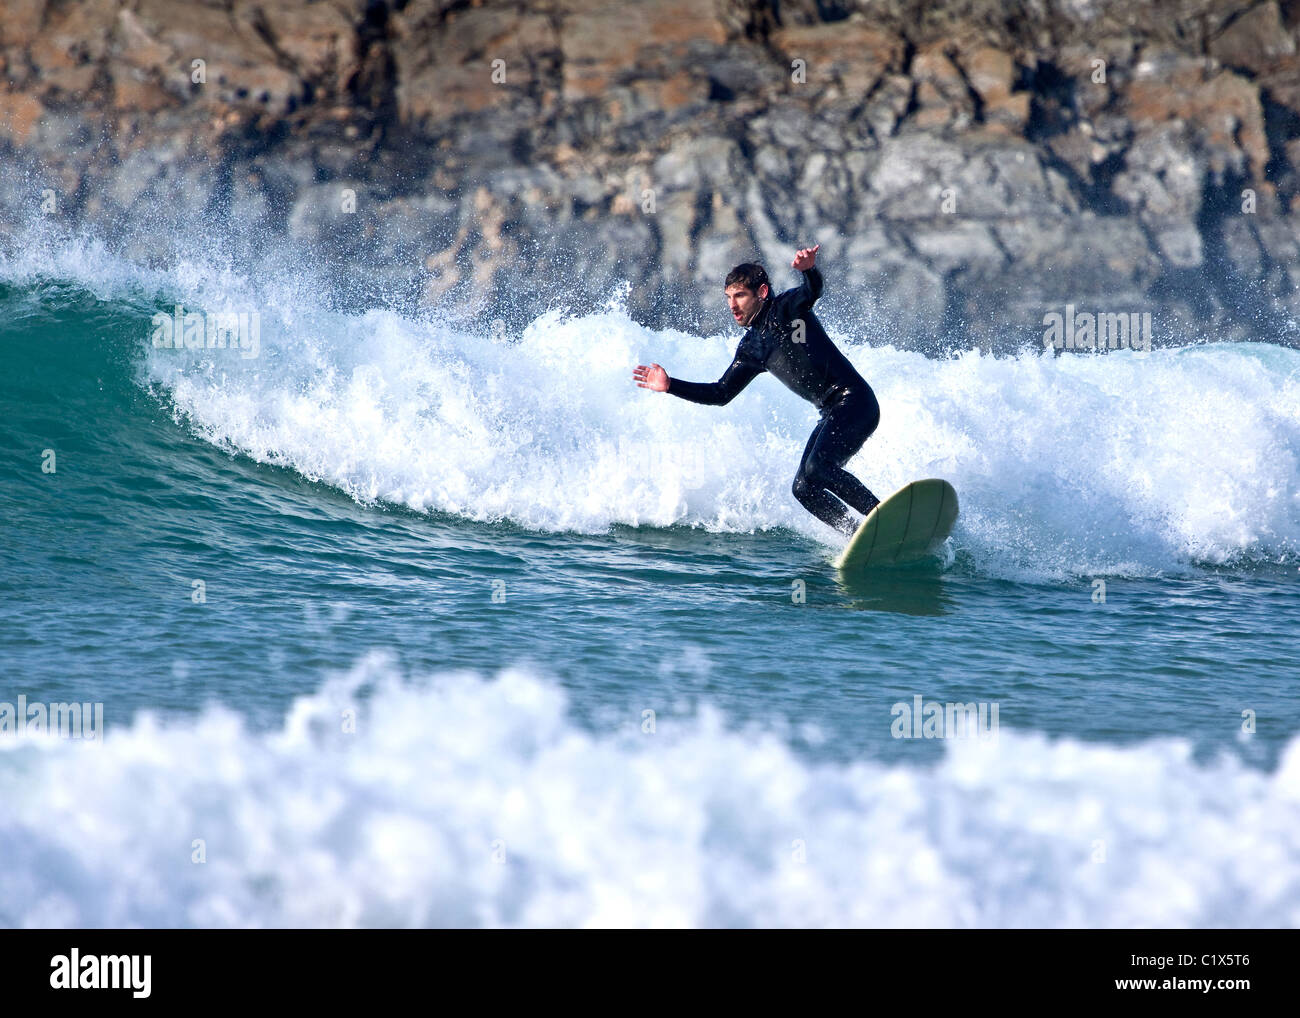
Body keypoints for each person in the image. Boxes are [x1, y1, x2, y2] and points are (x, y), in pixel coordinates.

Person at [633, 245, 881, 537]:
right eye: (728, 298)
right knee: (803, 488)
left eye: (740, 296)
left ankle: (882, 514)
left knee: (818, 469)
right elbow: (720, 393)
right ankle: (856, 533)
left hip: (855, 402)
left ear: (762, 293)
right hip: (830, 412)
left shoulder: (787, 308)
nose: (732, 305)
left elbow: (812, 291)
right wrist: (670, 385)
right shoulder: (753, 348)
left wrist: (808, 270)